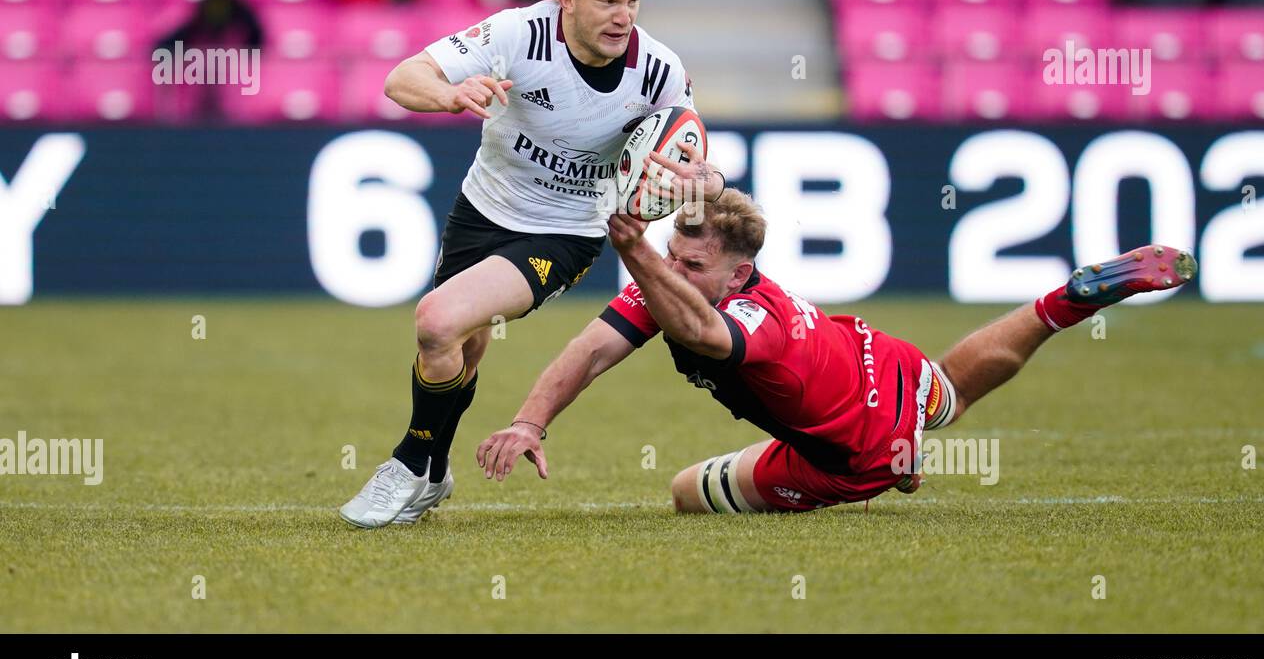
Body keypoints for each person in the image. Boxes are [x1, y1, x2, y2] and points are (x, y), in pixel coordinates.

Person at [339, 0, 726, 529]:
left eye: (632, 1)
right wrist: (450, 93)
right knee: (457, 346)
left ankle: (411, 464)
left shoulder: (658, 71)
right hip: (482, 208)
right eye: (606, 0)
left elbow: (694, 161)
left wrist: (703, 184)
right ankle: (435, 474)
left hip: (566, 231)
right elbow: (401, 78)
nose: (622, 17)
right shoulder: (518, 32)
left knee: (436, 323)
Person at [475, 191, 1199, 514]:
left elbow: (699, 334)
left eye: (689, 266)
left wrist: (633, 250)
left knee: (686, 493)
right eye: (671, 256)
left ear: (736, 274)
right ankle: (1067, 301)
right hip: (880, 361)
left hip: (849, 451)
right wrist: (530, 421)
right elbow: (591, 348)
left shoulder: (752, 319)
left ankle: (896, 461)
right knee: (945, 389)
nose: (671, 271)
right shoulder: (684, 285)